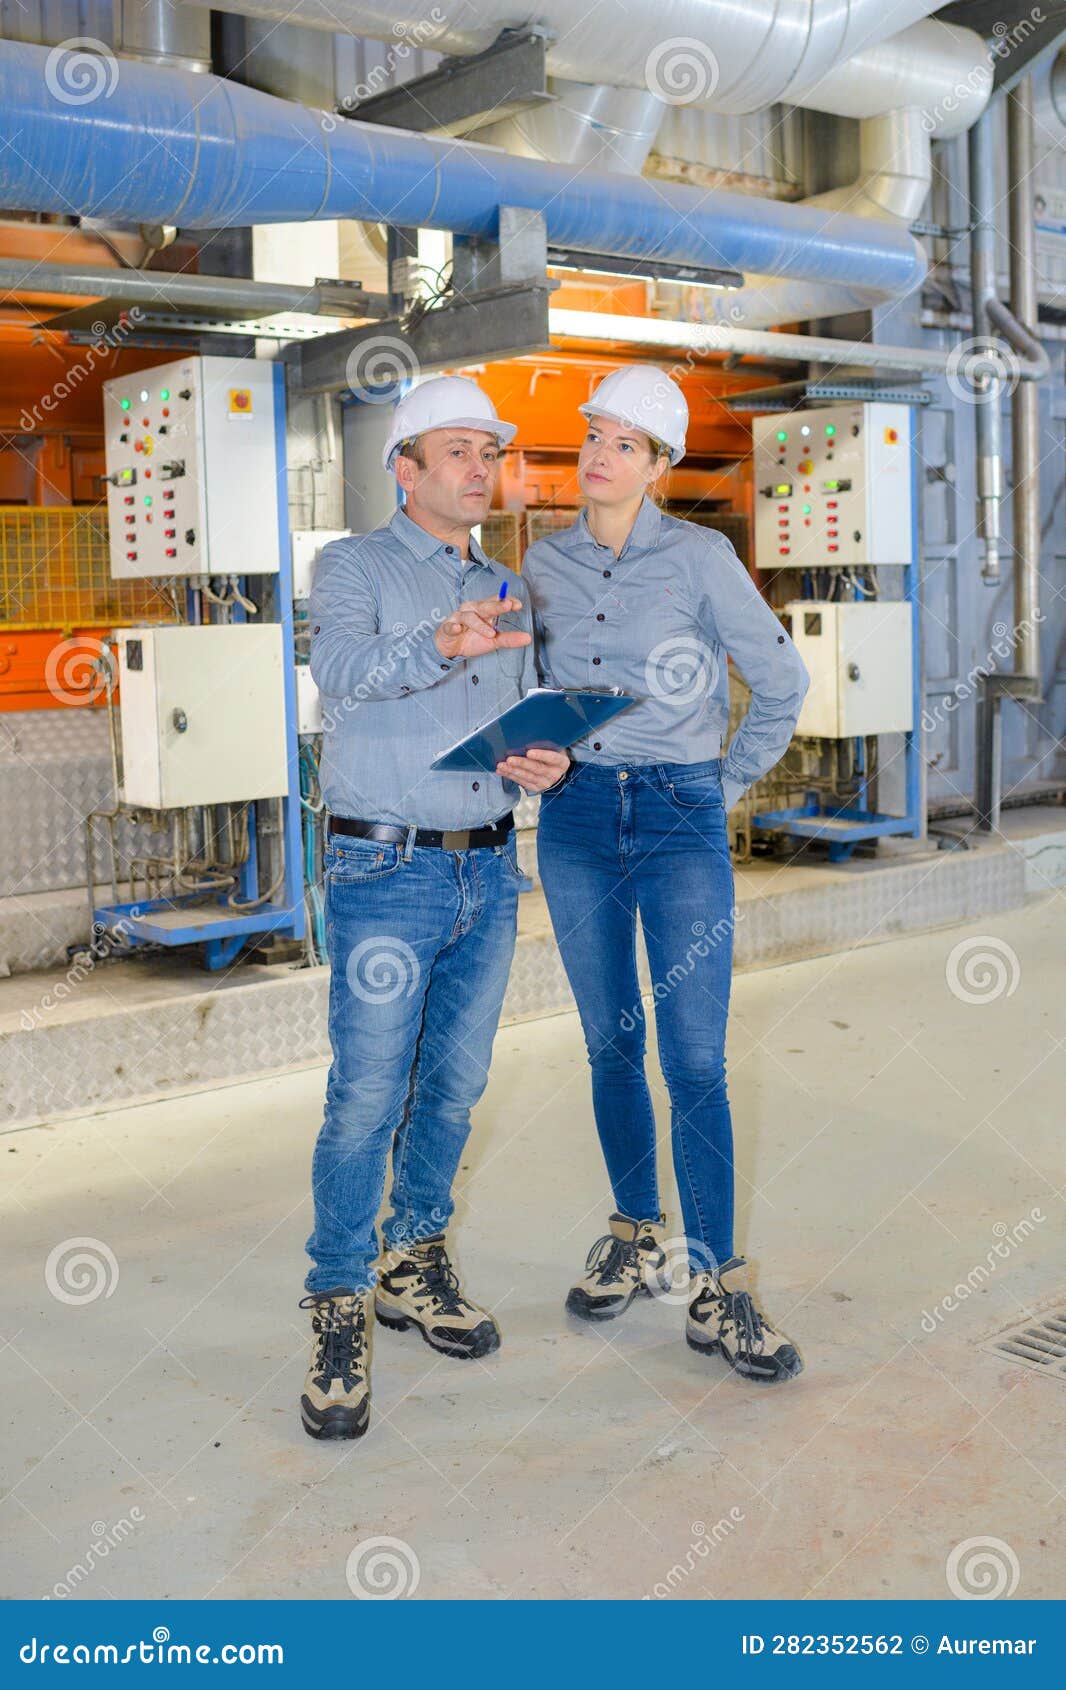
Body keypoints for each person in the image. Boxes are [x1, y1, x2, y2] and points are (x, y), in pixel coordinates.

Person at [521, 366, 810, 1384]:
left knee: (693, 1059)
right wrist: (532, 753)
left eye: (624, 443)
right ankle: (636, 1231)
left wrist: (716, 787)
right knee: (611, 1042)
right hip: (577, 821)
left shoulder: (700, 560)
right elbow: (531, 693)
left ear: (656, 466)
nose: (600, 453)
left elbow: (780, 682)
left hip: (680, 814)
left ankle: (721, 1284)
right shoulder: (542, 563)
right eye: (594, 434)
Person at [301, 375, 570, 1440]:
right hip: (385, 871)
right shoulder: (352, 566)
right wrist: (439, 644)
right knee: (367, 1097)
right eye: (455, 451)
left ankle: (412, 1258)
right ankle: (335, 1298)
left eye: (488, 452)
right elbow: (340, 676)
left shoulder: (507, 583)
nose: (478, 468)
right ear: (404, 468)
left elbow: (511, 727)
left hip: (488, 869)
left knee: (454, 1091)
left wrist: (540, 763)